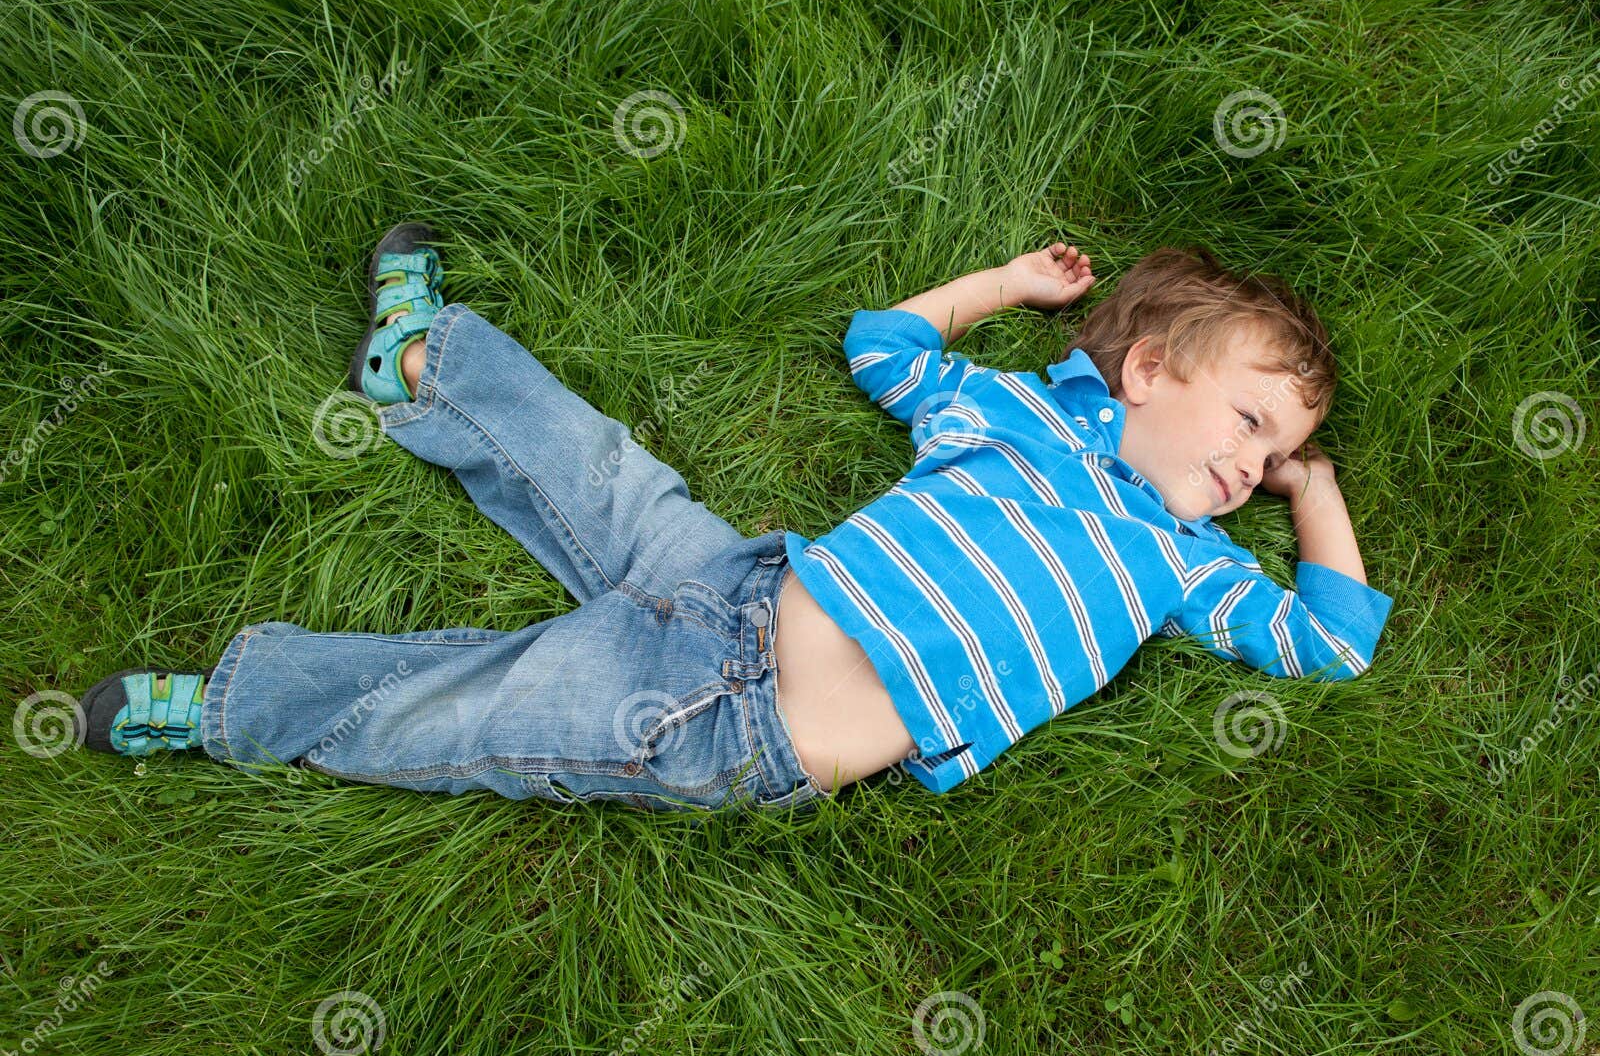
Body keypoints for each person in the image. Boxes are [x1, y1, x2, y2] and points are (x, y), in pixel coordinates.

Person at [75, 224, 1393, 812]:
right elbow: (881, 344)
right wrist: (1000, 284)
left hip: (730, 724)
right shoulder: (1013, 417)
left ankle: (230, 707)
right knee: (603, 473)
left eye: (1278, 450)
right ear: (1151, 372)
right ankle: (425, 362)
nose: (1253, 466)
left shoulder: (1180, 562)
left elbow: (1327, 641)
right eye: (1251, 425)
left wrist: (1316, 497)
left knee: (478, 705)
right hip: (746, 584)